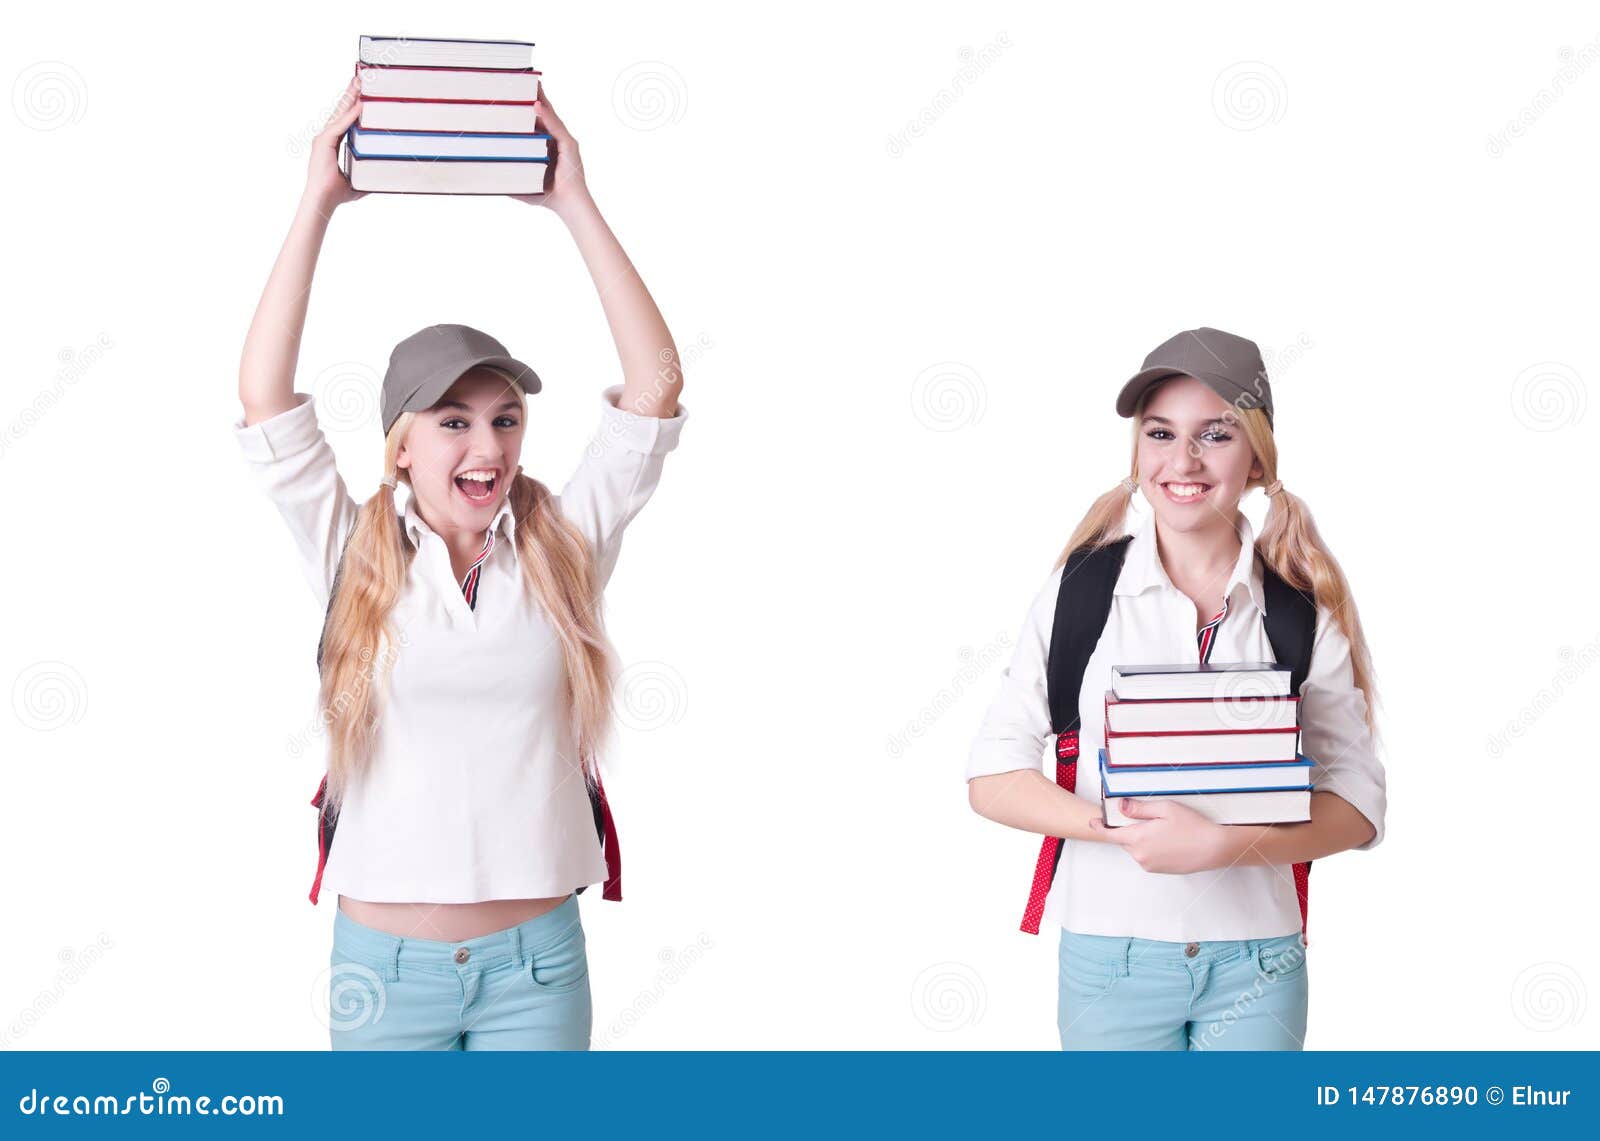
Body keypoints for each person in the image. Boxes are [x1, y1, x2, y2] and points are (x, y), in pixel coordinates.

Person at [234, 75, 688, 1049]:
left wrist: (573, 201)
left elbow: (654, 388)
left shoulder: (566, 544)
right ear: (401, 443)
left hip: (535, 965)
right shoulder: (351, 545)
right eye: (452, 422)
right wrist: (317, 200)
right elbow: (265, 392)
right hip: (382, 973)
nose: (485, 446)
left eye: (504, 420)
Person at [966, 327, 1385, 1050]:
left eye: (1215, 434)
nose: (1182, 460)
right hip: (1109, 957)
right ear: (1137, 451)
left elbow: (1360, 804)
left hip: (1259, 960)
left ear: (1256, 457)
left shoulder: (1297, 610)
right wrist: (1116, 829)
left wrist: (1225, 845)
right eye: (1161, 432)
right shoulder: (1081, 592)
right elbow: (991, 775)